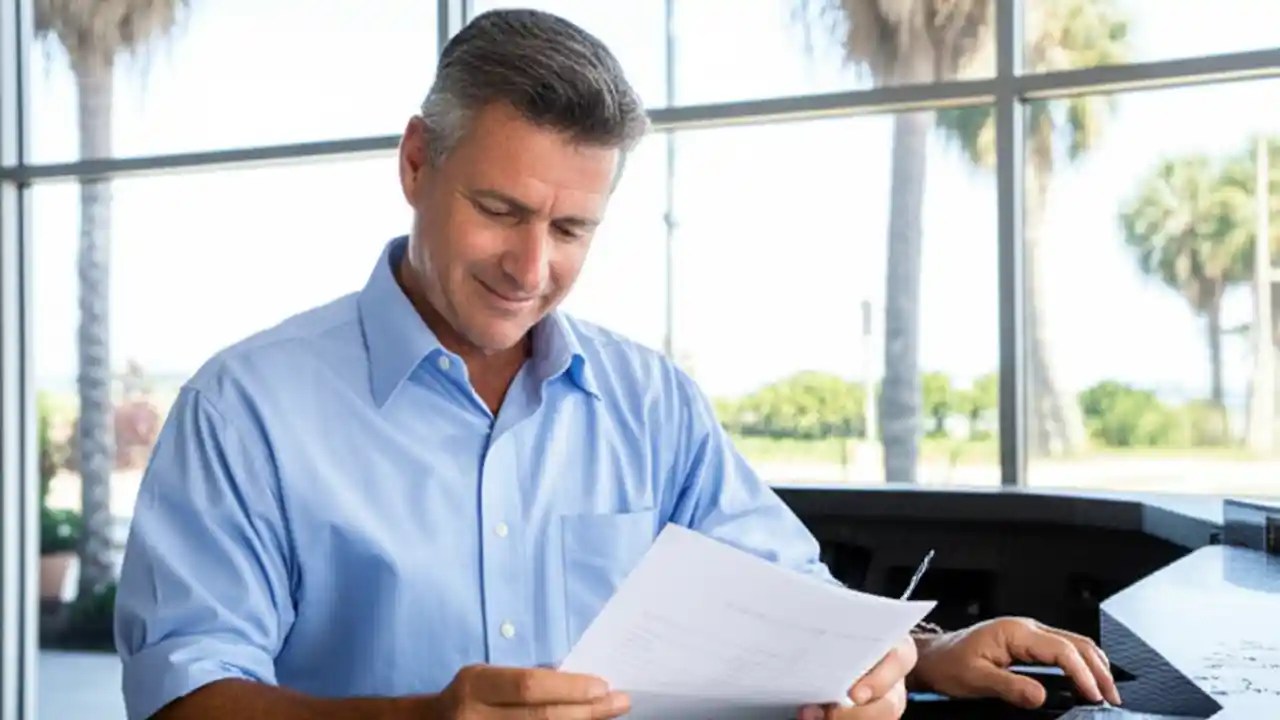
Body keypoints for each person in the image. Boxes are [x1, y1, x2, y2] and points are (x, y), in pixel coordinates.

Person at [114, 9, 1121, 720]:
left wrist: (924, 660)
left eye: (570, 227)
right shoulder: (244, 410)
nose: (530, 265)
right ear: (418, 163)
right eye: (499, 211)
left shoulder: (649, 402)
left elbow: (790, 615)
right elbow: (185, 699)